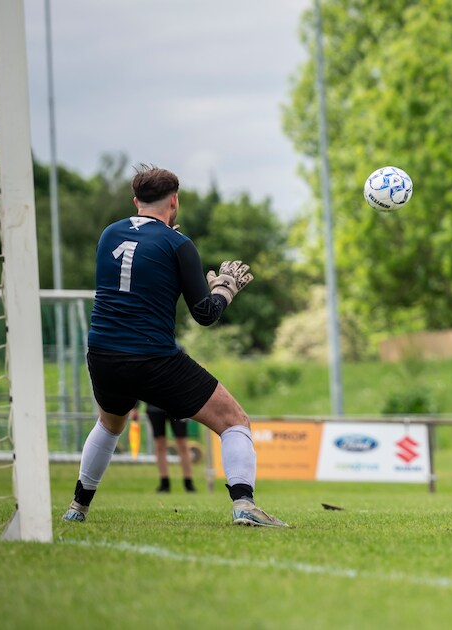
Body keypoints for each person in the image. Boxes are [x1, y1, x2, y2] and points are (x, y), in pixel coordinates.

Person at [61, 165, 287, 527]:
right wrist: (225, 289)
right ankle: (244, 504)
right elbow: (205, 315)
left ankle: (77, 507)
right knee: (234, 421)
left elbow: (137, 269)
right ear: (174, 201)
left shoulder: (109, 233)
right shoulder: (178, 244)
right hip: (151, 356)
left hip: (103, 353)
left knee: (109, 424)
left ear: (136, 201)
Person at [130, 401, 197, 493]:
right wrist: (135, 407)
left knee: (182, 442)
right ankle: (164, 483)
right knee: (159, 443)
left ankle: (188, 482)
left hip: (177, 404)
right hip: (154, 406)